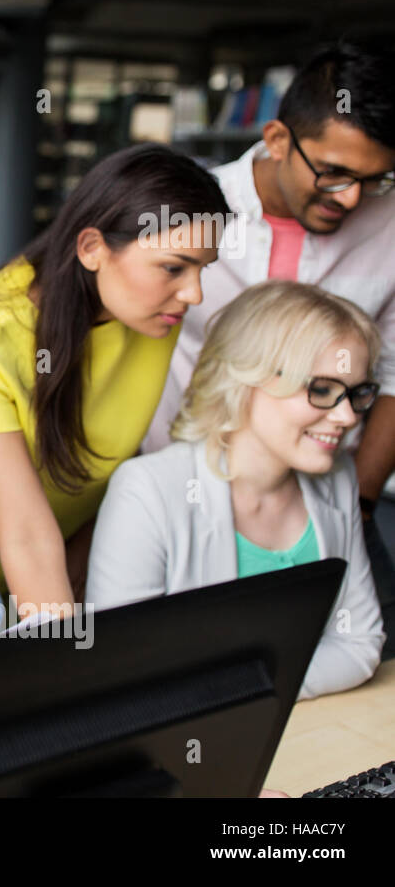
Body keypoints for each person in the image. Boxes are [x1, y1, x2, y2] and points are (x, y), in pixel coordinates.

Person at [142, 40, 395, 644]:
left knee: (371, 665)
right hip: (181, 492)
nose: (351, 198)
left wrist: (356, 501)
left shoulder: (390, 226)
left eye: (373, 178)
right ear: (278, 138)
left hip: (325, 502)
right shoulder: (191, 210)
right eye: (333, 173)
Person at [0, 144, 229, 616]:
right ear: (92, 248)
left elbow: (118, 466)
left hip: (51, 575)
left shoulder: (154, 314)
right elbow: (24, 530)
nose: (193, 293)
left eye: (203, 269)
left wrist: (85, 559)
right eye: (174, 267)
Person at [90, 281, 385, 699]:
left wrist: (244, 689)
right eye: (321, 390)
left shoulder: (337, 478)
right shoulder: (147, 491)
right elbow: (122, 672)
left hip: (305, 732)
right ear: (245, 378)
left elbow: (359, 646)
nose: (346, 417)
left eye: (357, 394)